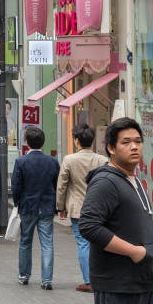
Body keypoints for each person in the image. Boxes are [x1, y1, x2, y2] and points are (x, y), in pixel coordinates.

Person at [79, 118, 153, 304]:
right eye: (126, 142)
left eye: (138, 141)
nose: (134, 147)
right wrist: (134, 251)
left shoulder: (132, 178)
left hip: (146, 277)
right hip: (119, 282)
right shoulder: (105, 182)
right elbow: (89, 226)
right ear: (111, 148)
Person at [56, 123, 107, 293]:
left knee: (83, 243)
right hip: (99, 207)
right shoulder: (102, 160)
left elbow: (61, 186)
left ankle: (89, 281)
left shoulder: (69, 160)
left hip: (78, 208)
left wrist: (60, 207)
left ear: (77, 140)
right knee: (98, 243)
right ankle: (100, 278)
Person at [11, 127, 60, 290]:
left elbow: (16, 186)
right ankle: (47, 280)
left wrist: (17, 203)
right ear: (43, 142)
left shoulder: (21, 161)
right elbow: (56, 185)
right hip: (46, 206)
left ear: (26, 142)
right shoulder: (52, 161)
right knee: (47, 243)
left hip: (27, 206)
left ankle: (24, 276)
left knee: (25, 241)